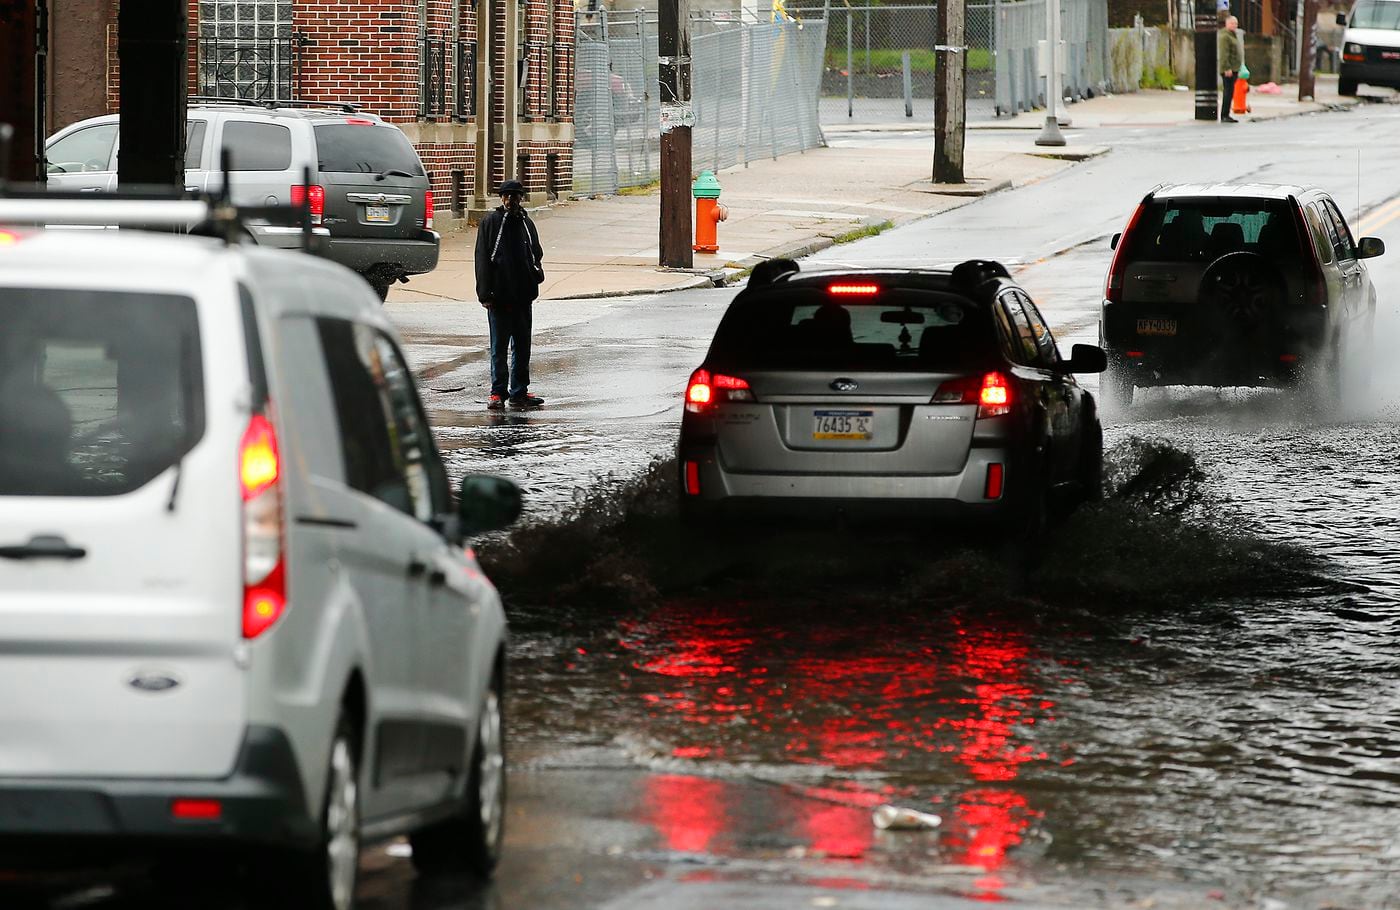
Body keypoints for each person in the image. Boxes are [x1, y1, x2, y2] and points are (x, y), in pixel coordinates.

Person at [475, 179, 545, 411]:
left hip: (523, 296)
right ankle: (497, 393)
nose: (510, 200)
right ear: (501, 198)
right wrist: (485, 293)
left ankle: (519, 392)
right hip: (499, 297)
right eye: (506, 196)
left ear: (520, 198)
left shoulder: (526, 223)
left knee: (522, 347)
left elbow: (536, 252)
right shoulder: (491, 223)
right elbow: (482, 259)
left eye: (515, 196)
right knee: (499, 348)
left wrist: (536, 276)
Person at [1218, 15, 1244, 123]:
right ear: (1227, 23)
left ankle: (1226, 113)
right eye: (1232, 23)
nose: (1234, 26)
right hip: (1229, 69)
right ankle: (1224, 114)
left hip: (1234, 67)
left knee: (1230, 91)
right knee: (1228, 92)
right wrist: (1227, 68)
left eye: (1236, 24)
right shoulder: (1225, 36)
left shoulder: (1233, 35)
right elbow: (1224, 54)